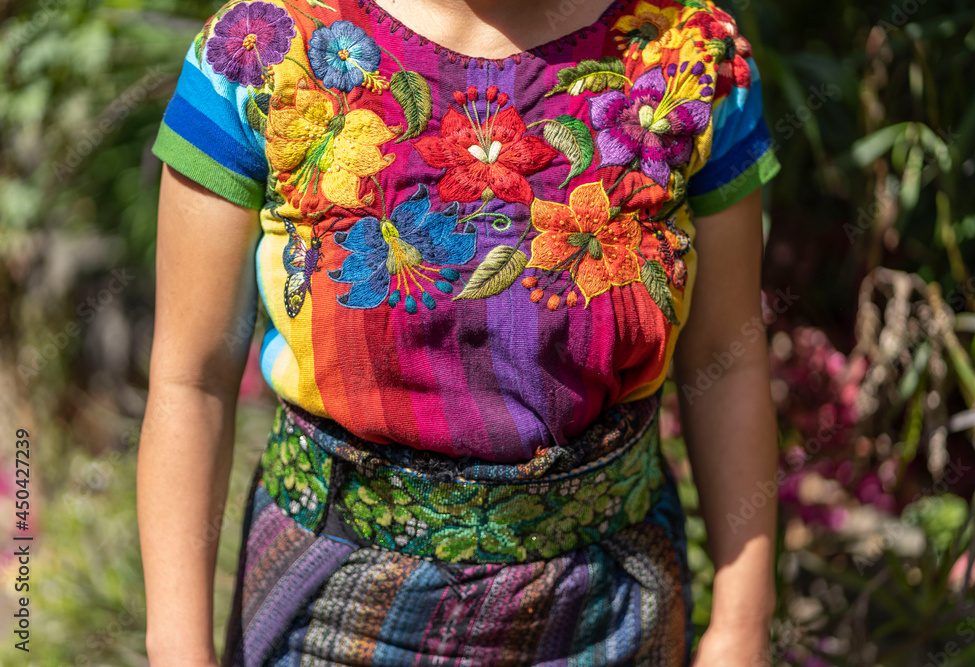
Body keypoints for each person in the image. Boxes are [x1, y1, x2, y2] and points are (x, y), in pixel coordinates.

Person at [137, 0, 781, 664]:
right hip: (332, 617)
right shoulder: (266, 49)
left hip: (608, 617)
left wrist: (742, 622)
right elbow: (193, 378)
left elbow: (727, 360)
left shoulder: (691, 59)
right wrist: (178, 648)